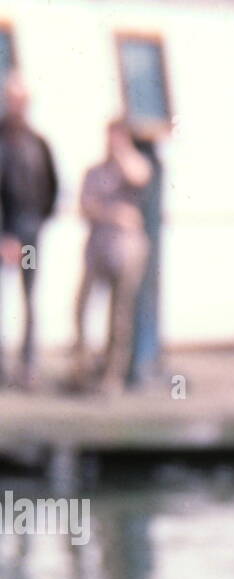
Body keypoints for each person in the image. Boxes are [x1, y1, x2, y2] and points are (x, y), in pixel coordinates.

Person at [72, 118, 153, 393]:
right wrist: (114, 214)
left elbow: (139, 176)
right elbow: (85, 206)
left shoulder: (135, 165)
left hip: (127, 250)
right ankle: (82, 370)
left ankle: (112, 377)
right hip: (98, 247)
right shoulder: (95, 171)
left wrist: (122, 153)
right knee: (81, 307)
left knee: (120, 316)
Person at [0, 69, 58, 389]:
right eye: (11, 99)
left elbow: (50, 187)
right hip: (3, 235)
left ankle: (28, 364)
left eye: (21, 99)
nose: (16, 105)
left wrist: (33, 227)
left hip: (30, 236)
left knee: (29, 295)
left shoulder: (38, 143)